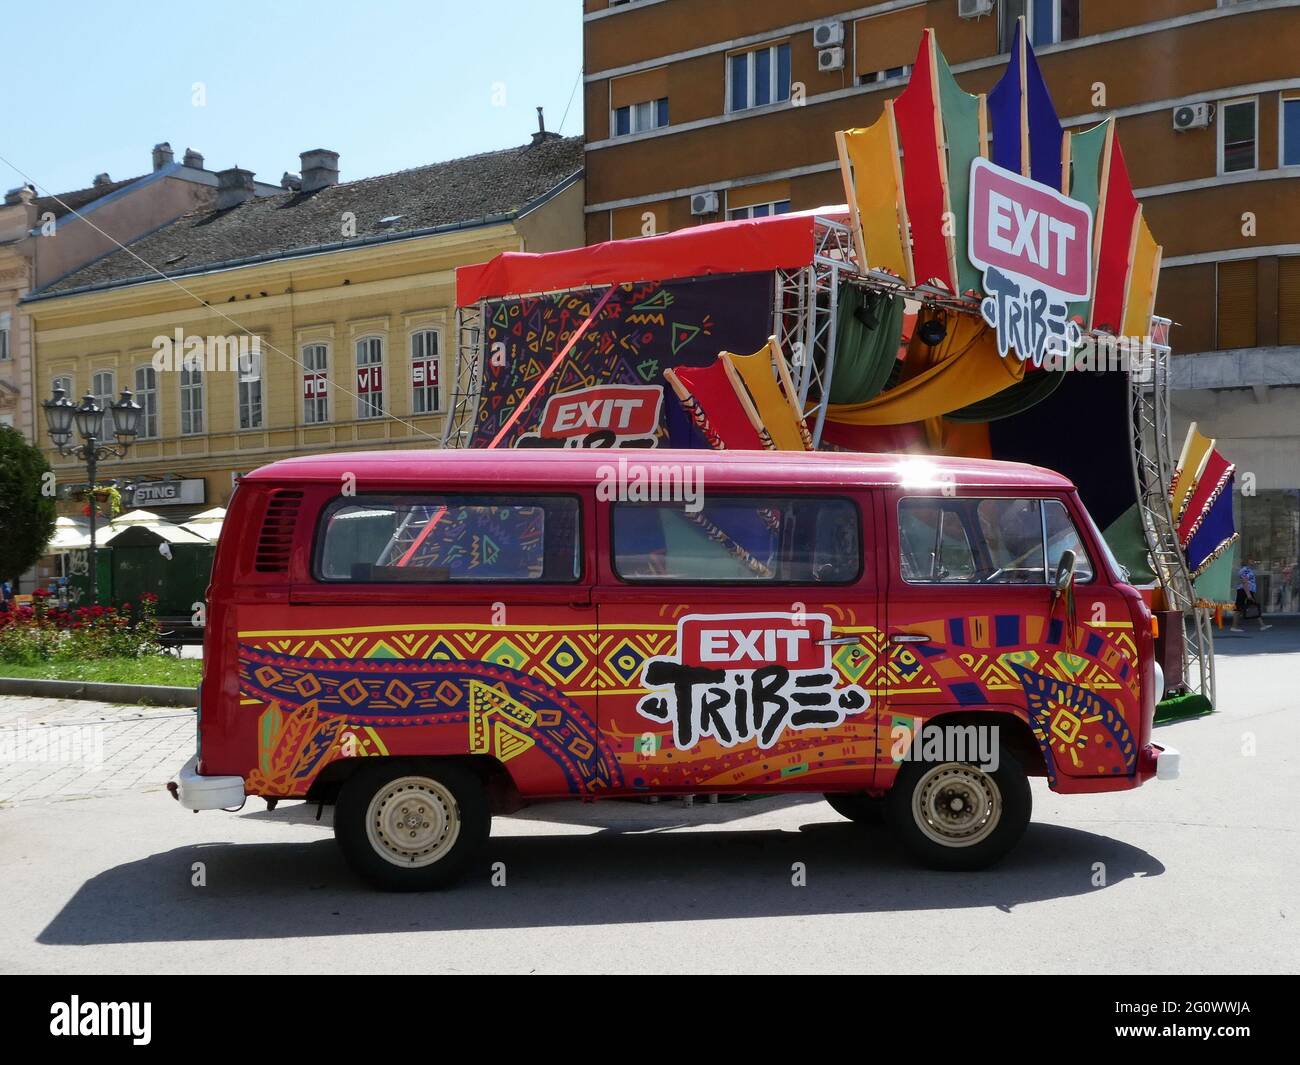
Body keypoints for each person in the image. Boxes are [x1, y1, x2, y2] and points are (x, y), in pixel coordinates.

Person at [1230, 559, 1272, 633]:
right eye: (1252, 561)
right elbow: (1244, 581)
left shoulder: (1249, 570)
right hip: (1244, 591)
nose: (1253, 562)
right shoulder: (1244, 570)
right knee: (1239, 609)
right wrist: (1248, 594)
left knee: (1253, 607)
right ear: (1247, 562)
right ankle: (1234, 626)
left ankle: (1262, 625)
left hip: (1247, 591)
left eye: (1253, 561)